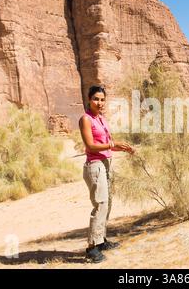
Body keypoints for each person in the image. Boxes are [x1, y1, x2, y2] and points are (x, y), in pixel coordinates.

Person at [79, 85, 135, 263]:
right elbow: (90, 146)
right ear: (89, 99)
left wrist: (123, 148)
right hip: (95, 165)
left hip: (106, 162)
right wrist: (112, 145)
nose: (99, 102)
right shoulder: (86, 119)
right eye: (96, 99)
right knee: (100, 204)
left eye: (102, 99)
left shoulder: (101, 119)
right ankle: (91, 248)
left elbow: (107, 143)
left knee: (107, 203)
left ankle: (101, 240)